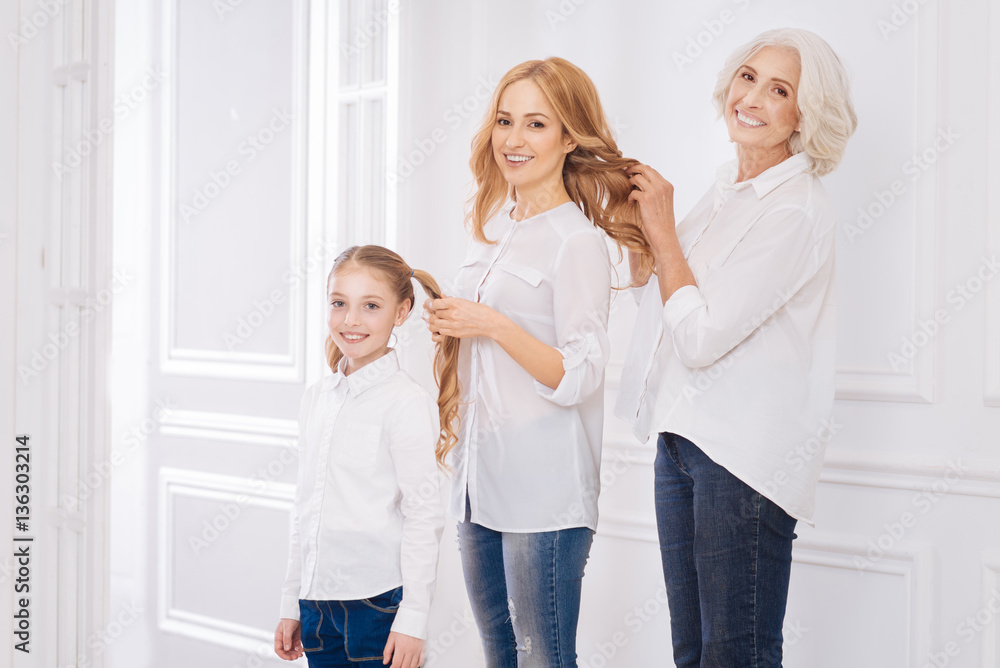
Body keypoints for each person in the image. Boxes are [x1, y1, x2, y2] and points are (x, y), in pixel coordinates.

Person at [615, 28, 857, 667]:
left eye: (779, 90)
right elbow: (667, 289)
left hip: (741, 457)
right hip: (683, 438)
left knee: (736, 654)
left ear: (804, 116)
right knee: (692, 653)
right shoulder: (725, 192)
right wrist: (639, 232)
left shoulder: (795, 210)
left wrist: (664, 233)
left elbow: (699, 336)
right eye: (748, 77)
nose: (751, 97)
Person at [425, 57, 652, 667]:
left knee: (542, 660)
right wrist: (453, 326)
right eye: (505, 121)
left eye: (535, 125)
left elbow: (580, 374)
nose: (513, 141)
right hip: (477, 484)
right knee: (502, 657)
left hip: (542, 494)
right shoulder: (495, 232)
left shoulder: (575, 241)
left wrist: (493, 325)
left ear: (569, 137)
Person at [274, 245, 458, 668]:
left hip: (377, 607)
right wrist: (292, 600)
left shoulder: (406, 403)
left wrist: (412, 619)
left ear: (401, 312)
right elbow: (306, 509)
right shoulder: (316, 399)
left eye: (370, 306)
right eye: (339, 303)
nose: (351, 320)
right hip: (316, 606)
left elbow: (423, 514)